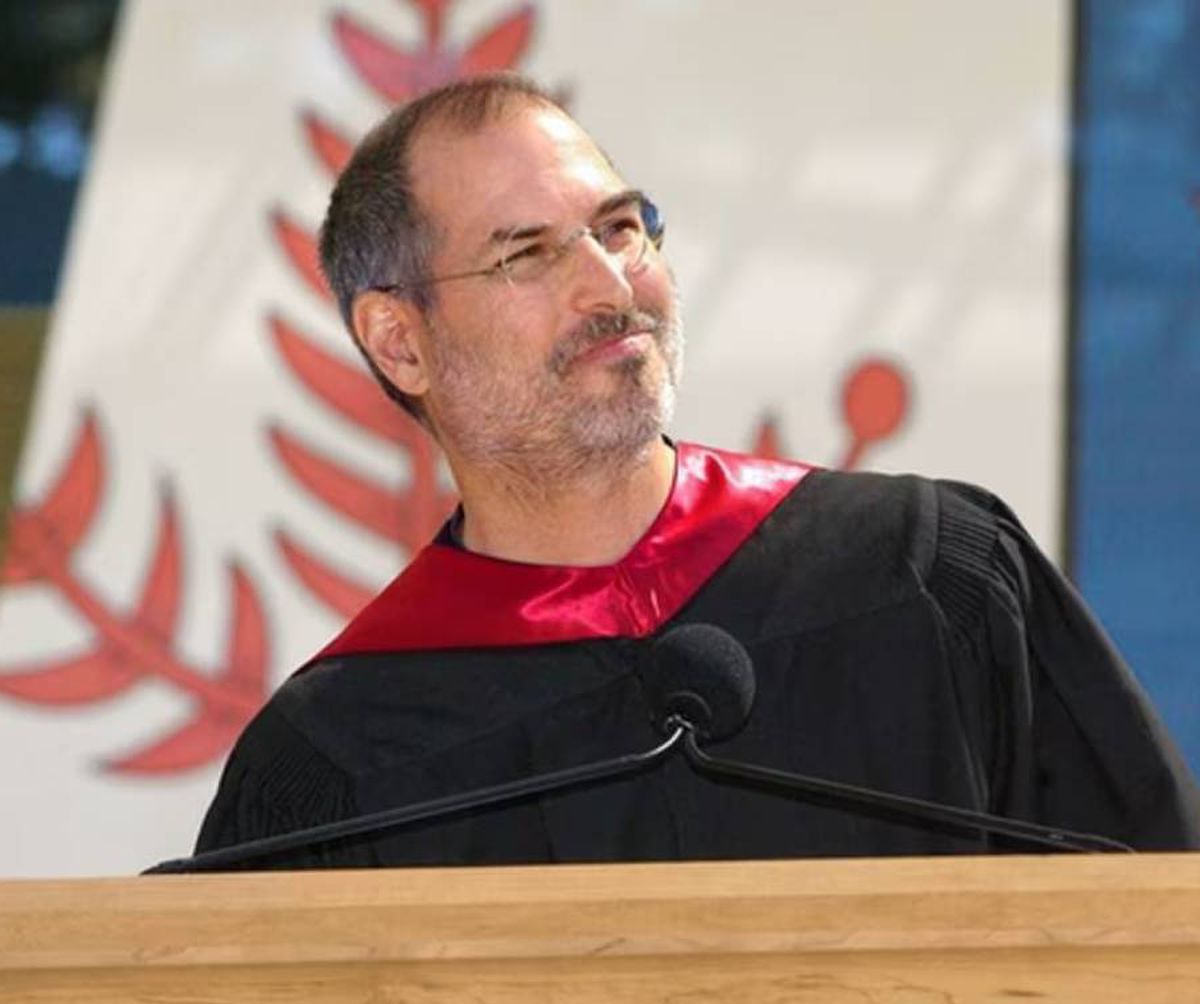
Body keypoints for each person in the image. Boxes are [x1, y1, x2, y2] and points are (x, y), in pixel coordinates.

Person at [195, 74, 1199, 868]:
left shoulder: (927, 575)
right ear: (401, 343)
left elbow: (1155, 925)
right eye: (528, 255)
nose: (608, 283)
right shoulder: (335, 760)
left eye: (621, 228)